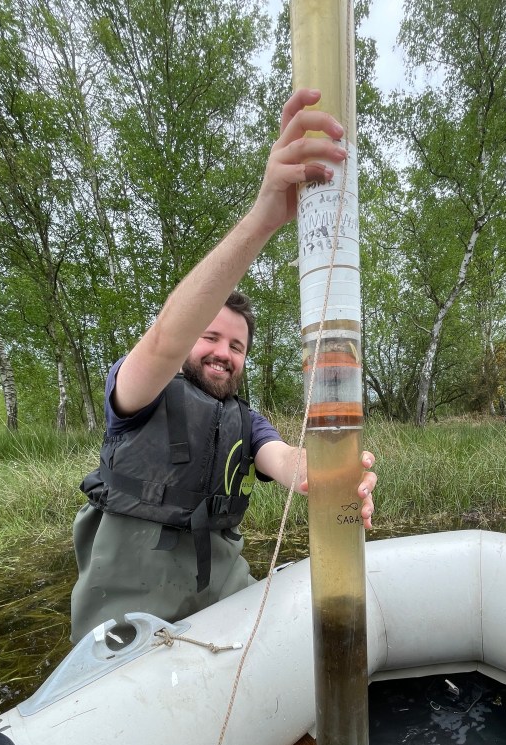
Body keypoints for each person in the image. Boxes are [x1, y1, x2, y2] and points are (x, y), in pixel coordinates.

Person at [70, 89, 377, 644]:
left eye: (236, 346)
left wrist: (328, 474)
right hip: (132, 608)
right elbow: (165, 340)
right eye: (209, 336)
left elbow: (285, 460)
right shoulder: (140, 392)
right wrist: (263, 219)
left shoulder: (245, 420)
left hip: (221, 595)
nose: (222, 352)